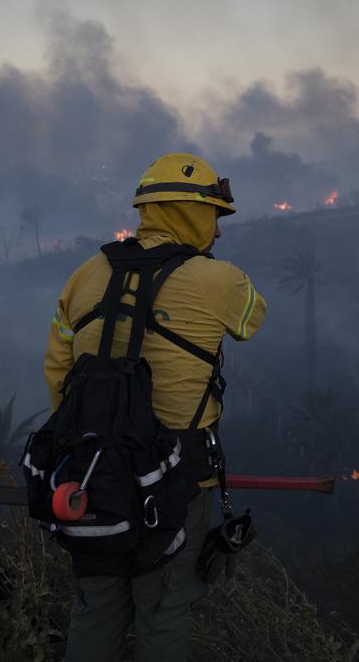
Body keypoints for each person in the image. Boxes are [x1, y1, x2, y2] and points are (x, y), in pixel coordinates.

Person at [43, 152, 267, 662]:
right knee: (163, 612)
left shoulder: (84, 275)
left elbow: (57, 373)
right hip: (178, 476)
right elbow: (253, 319)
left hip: (91, 476)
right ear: (192, 213)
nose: (218, 232)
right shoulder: (221, 281)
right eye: (214, 217)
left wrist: (93, 444)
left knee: (94, 611)